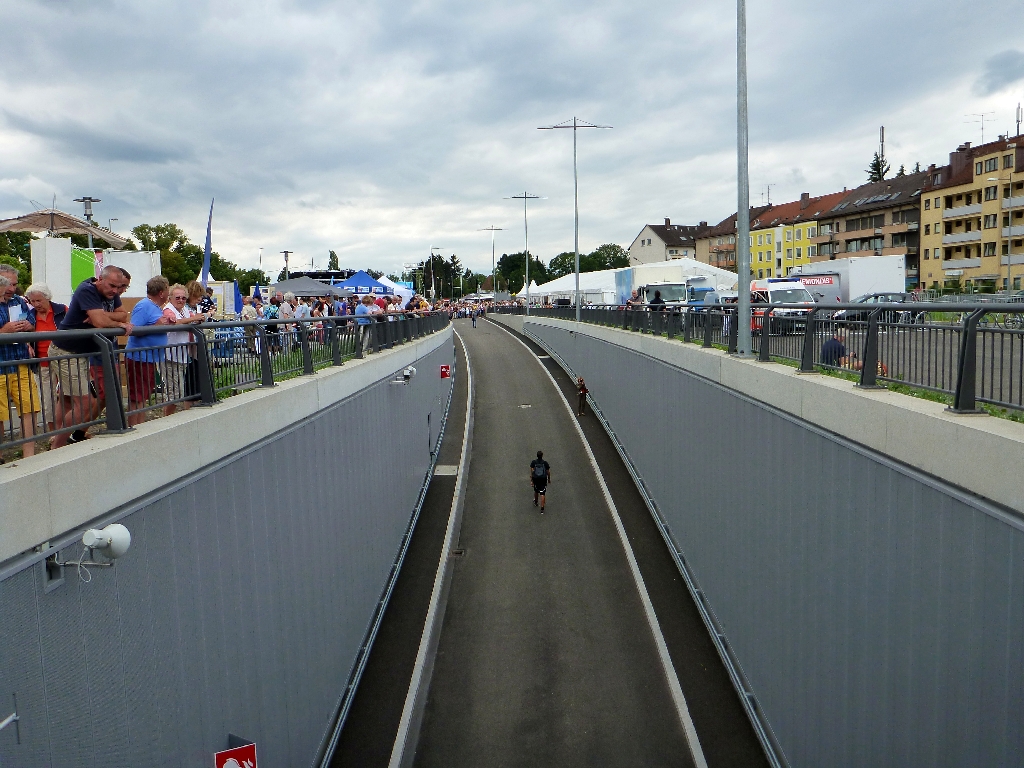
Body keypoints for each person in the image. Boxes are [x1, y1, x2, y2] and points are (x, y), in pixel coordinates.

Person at [48, 265, 132, 449]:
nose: (115, 291)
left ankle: (56, 439)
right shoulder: (86, 289)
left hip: (80, 353)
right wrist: (106, 320)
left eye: (119, 288)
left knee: (68, 399)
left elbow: (122, 315)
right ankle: (57, 446)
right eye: (112, 286)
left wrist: (105, 317)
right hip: (67, 351)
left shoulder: (111, 290)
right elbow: (100, 322)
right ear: (100, 279)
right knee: (85, 403)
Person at [0, 273, 40, 456]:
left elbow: (32, 322)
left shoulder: (18, 301)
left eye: (14, 284)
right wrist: (4, 332)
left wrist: (26, 326)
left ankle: (28, 456)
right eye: (7, 284)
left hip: (20, 362)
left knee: (29, 408)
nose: (11, 288)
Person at [124, 276, 173, 426]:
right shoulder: (144, 306)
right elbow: (133, 330)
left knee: (143, 395)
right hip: (139, 357)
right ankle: (134, 427)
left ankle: (140, 426)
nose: (168, 292)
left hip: (149, 358)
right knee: (137, 396)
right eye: (167, 289)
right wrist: (156, 326)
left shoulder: (154, 307)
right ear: (161, 292)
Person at [24, 283, 67, 434]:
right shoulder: (29, 314)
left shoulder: (62, 310)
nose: (36, 304)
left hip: (62, 359)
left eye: (39, 301)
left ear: (47, 298)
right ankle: (53, 432)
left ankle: (68, 429)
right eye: (32, 301)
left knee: (67, 394)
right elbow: (25, 333)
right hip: (42, 361)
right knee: (47, 399)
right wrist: (27, 344)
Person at [162, 284, 204, 415]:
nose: (181, 300)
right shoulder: (168, 309)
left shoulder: (185, 310)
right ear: (170, 298)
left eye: (183, 298)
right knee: (173, 393)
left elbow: (195, 318)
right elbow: (173, 321)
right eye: (177, 298)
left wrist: (197, 319)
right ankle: (167, 420)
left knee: (177, 392)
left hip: (181, 355)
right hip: (170, 355)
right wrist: (194, 318)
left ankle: (170, 418)